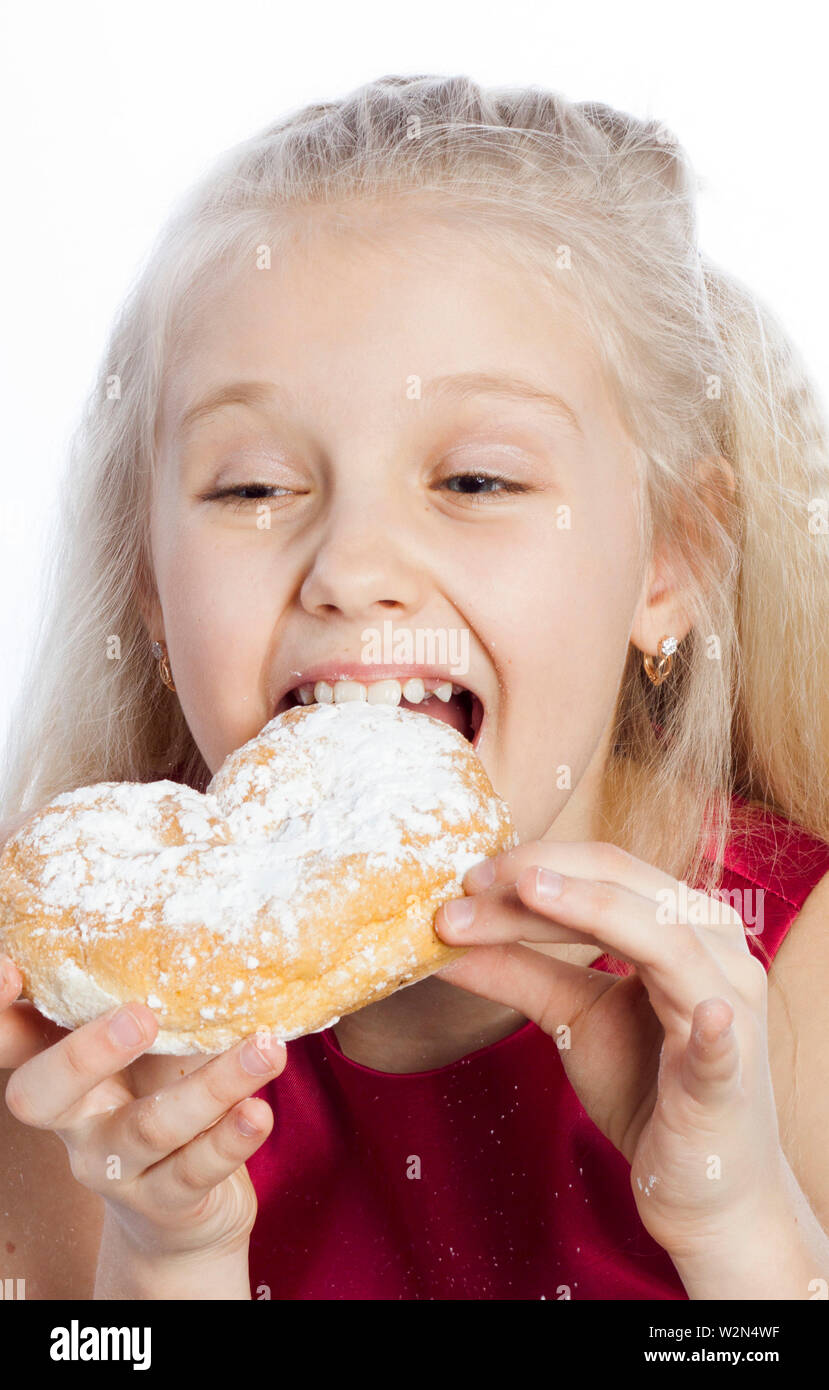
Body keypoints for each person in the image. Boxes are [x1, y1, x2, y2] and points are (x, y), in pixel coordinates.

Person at [1, 74, 828, 1300]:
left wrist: (741, 1229)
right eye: (252, 487)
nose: (351, 570)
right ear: (150, 588)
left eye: (478, 479)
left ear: (671, 561)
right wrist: (166, 1258)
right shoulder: (81, 1046)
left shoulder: (789, 977)